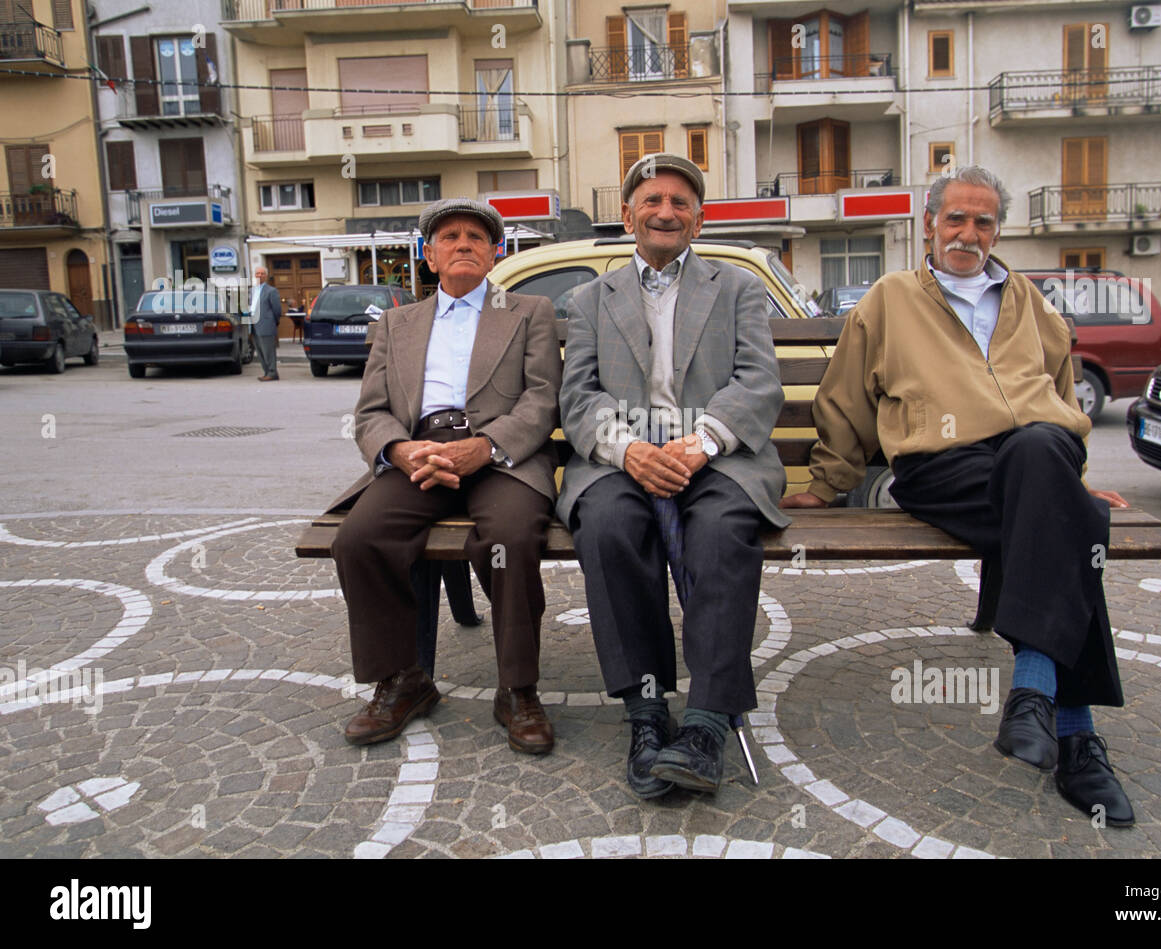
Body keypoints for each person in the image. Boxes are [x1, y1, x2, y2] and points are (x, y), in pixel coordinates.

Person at [781, 165, 1137, 827]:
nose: (968, 234)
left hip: (1034, 460)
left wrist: (1073, 478)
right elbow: (845, 397)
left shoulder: (1029, 300)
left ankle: (1039, 699)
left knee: (1044, 458)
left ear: (996, 230)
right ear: (929, 225)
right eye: (956, 219)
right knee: (1071, 517)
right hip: (943, 468)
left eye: (982, 222)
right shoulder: (889, 299)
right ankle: (1074, 729)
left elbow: (1059, 392)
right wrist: (827, 484)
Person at [557, 153, 788, 797]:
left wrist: (703, 441)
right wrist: (629, 450)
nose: (666, 211)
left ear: (699, 217)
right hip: (621, 456)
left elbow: (759, 382)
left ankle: (709, 725)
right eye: (652, 200)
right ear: (628, 215)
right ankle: (648, 714)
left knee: (720, 530)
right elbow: (577, 398)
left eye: (680, 202)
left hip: (715, 453)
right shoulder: (589, 299)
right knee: (606, 526)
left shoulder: (736, 287)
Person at [328, 198, 562, 755]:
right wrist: (402, 451)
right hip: (418, 456)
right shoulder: (396, 323)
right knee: (359, 540)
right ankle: (403, 679)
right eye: (450, 237)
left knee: (508, 537)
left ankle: (517, 687)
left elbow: (543, 398)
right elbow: (371, 411)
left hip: (500, 457)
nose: (463, 244)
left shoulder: (528, 310)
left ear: (495, 252)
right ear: (429, 256)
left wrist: (486, 447)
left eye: (476, 237)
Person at [249, 266, 281, 381]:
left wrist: (273, 321)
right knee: (260, 351)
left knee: (268, 351)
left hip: (266, 325)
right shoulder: (251, 291)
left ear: (266, 276)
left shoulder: (271, 291)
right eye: (257, 273)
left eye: (262, 274)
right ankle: (266, 372)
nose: (259, 275)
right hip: (254, 325)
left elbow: (277, 310)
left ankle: (272, 372)